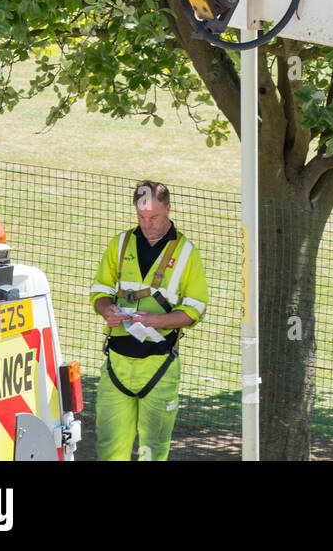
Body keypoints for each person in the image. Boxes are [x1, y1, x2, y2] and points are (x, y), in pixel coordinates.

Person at [90, 180, 208, 461]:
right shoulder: (121, 243)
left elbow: (195, 308)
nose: (147, 224)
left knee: (154, 451)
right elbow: (100, 289)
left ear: (168, 209)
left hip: (160, 366)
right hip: (117, 362)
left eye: (153, 217)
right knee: (109, 448)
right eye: (141, 217)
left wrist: (159, 320)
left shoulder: (186, 252)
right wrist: (105, 309)